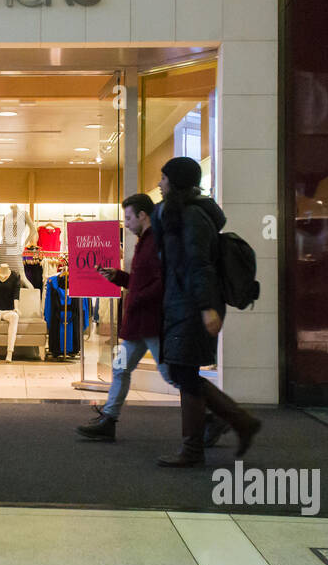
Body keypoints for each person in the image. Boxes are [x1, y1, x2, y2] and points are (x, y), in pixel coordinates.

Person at [75, 193, 227, 444]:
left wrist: (136, 298)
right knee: (121, 368)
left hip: (151, 325)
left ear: (142, 215)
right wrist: (120, 277)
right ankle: (108, 420)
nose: (126, 222)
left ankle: (214, 416)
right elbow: (141, 282)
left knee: (172, 375)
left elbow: (161, 282)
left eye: (128, 217)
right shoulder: (145, 241)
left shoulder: (156, 242)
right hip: (138, 326)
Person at [154, 157, 261, 467]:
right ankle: (236, 422)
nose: (160, 184)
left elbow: (198, 265)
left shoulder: (192, 216)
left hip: (193, 305)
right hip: (183, 303)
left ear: (175, 182)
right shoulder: (178, 213)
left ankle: (195, 448)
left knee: (184, 372)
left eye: (163, 179)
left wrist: (206, 309)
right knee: (181, 371)